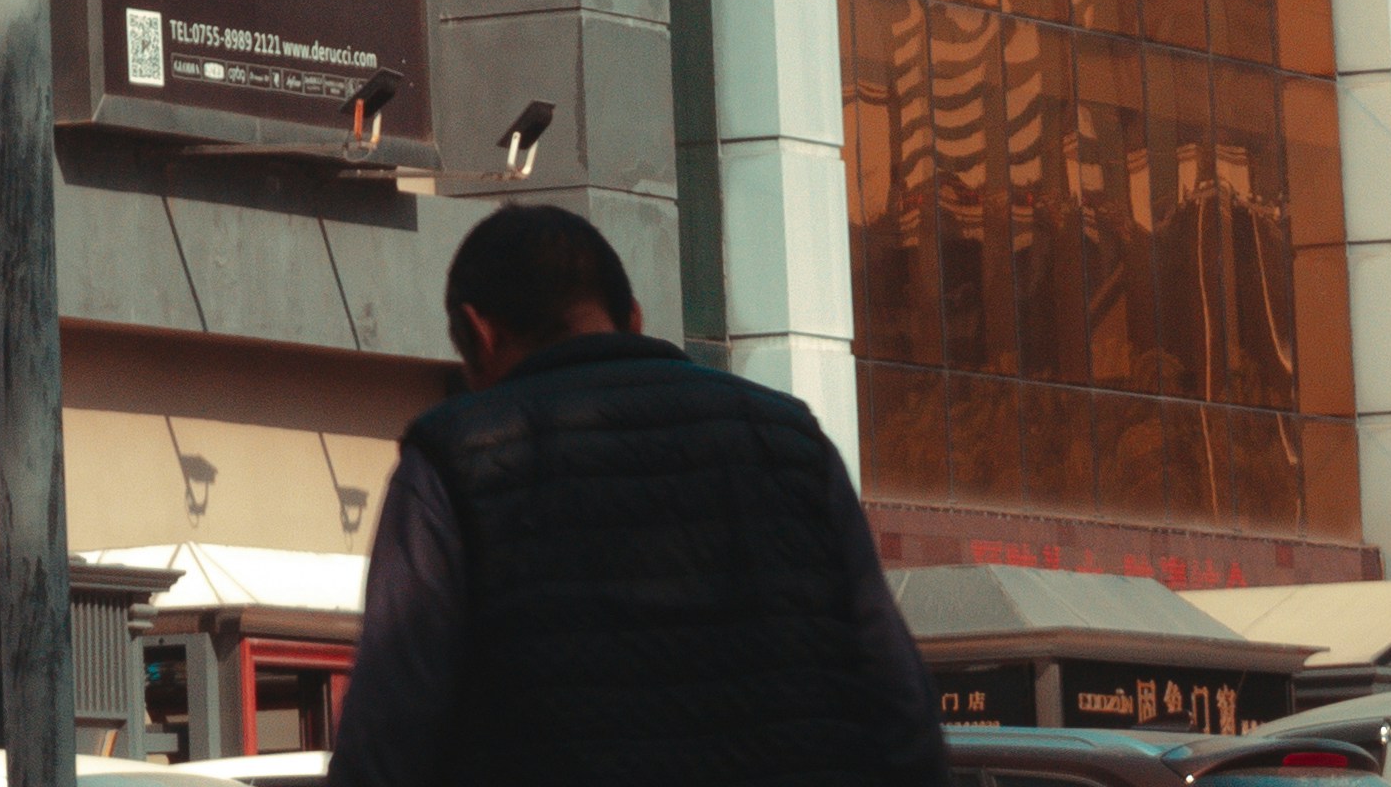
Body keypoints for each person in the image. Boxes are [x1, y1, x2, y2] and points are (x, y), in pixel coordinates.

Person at [329, 205, 945, 787]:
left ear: (478, 333)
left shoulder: (451, 460)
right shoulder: (793, 442)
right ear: (633, 316)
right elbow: (902, 710)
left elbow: (386, 741)